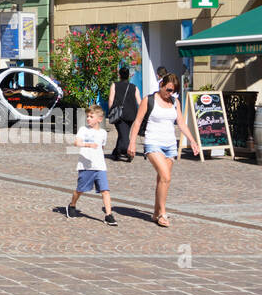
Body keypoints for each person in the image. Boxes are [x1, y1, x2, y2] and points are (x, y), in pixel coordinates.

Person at [127, 71, 200, 227]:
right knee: (166, 177)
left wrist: (193, 141)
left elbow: (181, 123)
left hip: (170, 145)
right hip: (153, 142)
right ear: (161, 85)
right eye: (168, 89)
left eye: (173, 91)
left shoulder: (175, 102)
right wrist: (132, 143)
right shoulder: (149, 100)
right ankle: (162, 213)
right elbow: (138, 122)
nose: (170, 93)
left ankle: (155, 212)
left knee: (162, 180)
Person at [66, 105, 118, 226]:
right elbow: (76, 142)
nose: (88, 118)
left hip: (100, 166)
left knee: (105, 190)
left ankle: (108, 215)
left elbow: (102, 147)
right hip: (85, 166)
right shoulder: (83, 130)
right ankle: (72, 205)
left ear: (99, 119)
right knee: (80, 190)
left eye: (91, 116)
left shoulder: (103, 133)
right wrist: (88, 145)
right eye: (87, 116)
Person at [108, 68, 140, 161]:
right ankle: (116, 152)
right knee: (123, 133)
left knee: (124, 135)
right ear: (129, 76)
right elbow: (139, 101)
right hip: (131, 114)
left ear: (119, 75)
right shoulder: (134, 87)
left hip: (119, 114)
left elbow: (111, 99)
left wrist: (111, 110)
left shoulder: (114, 85)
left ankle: (127, 151)